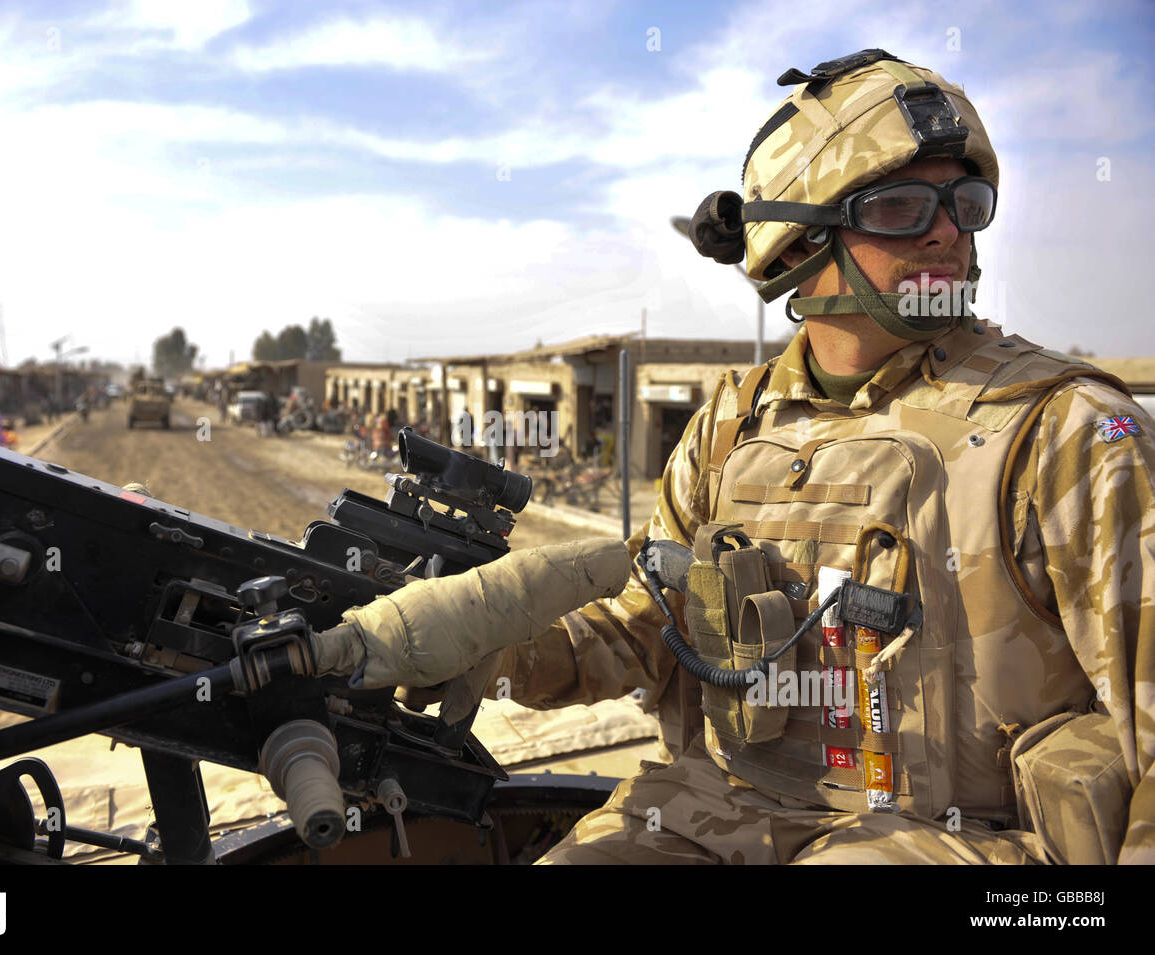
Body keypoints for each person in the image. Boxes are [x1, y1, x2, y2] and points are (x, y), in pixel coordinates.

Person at [314, 50, 1155, 864]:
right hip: (718, 810)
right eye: (903, 210)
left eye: (966, 206)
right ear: (795, 247)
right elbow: (650, 627)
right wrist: (493, 645)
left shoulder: (1066, 428)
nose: (948, 236)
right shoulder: (731, 422)